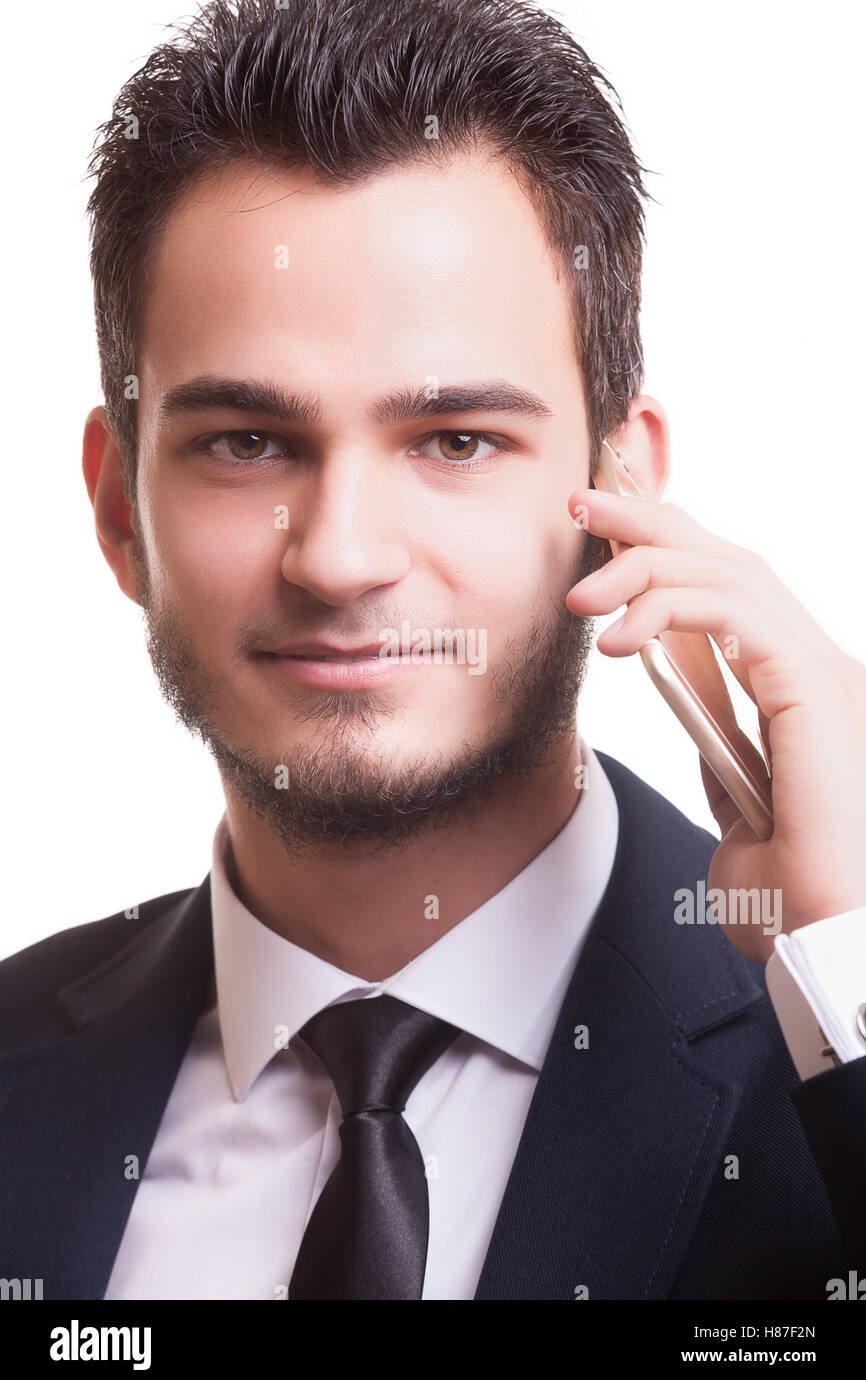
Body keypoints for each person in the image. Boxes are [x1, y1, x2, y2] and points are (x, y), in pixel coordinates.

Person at [1, 0, 864, 1301]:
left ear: (618, 490)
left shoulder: (826, 1047)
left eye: (455, 439)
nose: (339, 556)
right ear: (122, 509)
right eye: (246, 440)